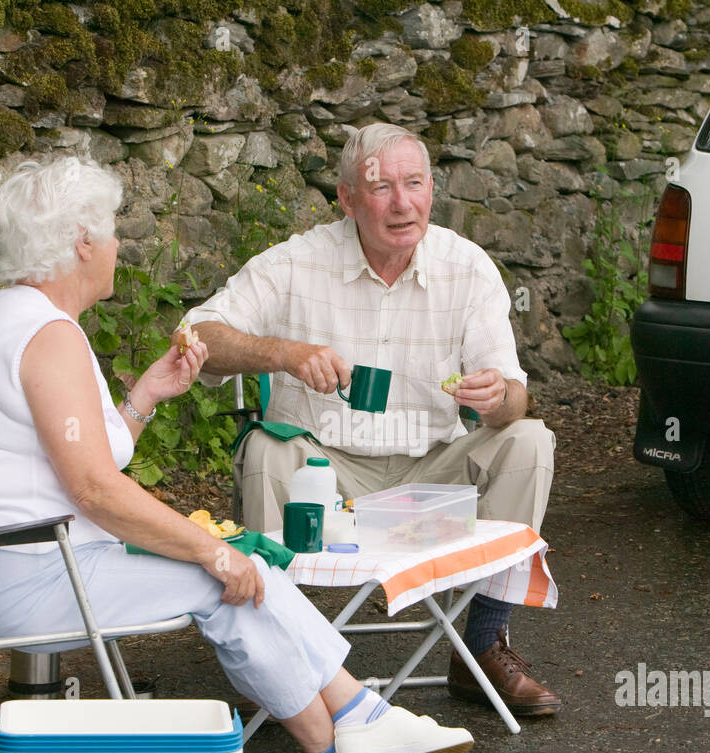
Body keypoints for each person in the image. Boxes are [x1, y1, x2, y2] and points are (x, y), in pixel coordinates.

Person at [0, 156, 474, 753]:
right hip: (22, 572)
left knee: (237, 564)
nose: (115, 244)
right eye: (107, 230)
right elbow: (94, 490)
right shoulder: (48, 337)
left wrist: (147, 396)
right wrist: (211, 551)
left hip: (11, 558)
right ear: (79, 242)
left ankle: (344, 735)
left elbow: (85, 462)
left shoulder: (18, 319)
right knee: (222, 574)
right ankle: (348, 730)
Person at [188, 123, 561, 717]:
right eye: (381, 187)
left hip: (429, 477)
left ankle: (482, 645)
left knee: (528, 440)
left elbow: (515, 397)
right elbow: (196, 334)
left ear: (432, 189)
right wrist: (284, 353)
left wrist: (500, 397)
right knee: (263, 449)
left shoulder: (466, 268)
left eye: (413, 184)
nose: (401, 203)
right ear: (346, 198)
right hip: (324, 471)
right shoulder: (297, 262)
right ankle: (282, 659)